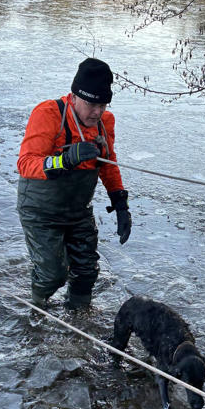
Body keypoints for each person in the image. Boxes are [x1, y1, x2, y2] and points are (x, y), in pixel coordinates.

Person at [17, 57, 132, 310]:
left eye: (103, 105)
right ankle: (36, 313)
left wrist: (120, 204)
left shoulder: (106, 123)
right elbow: (25, 164)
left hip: (78, 210)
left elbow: (108, 163)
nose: (97, 112)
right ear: (75, 96)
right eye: (92, 104)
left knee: (87, 272)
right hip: (40, 209)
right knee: (52, 275)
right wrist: (65, 160)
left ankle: (79, 324)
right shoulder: (48, 113)